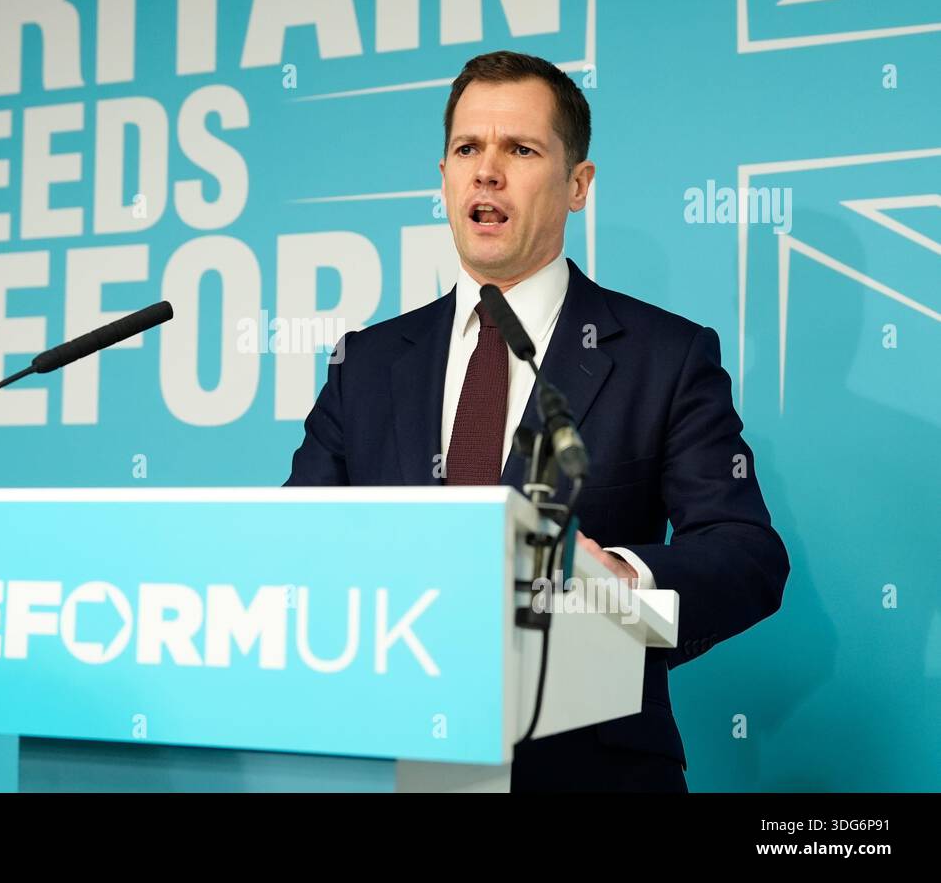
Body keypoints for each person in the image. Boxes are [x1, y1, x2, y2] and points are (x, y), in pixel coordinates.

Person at [285, 50, 789, 792]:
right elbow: (296, 548)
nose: (487, 172)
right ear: (445, 177)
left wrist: (623, 578)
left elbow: (747, 554)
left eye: (520, 150)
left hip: (589, 769)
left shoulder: (665, 356)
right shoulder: (364, 362)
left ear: (578, 185)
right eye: (468, 149)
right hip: (395, 759)